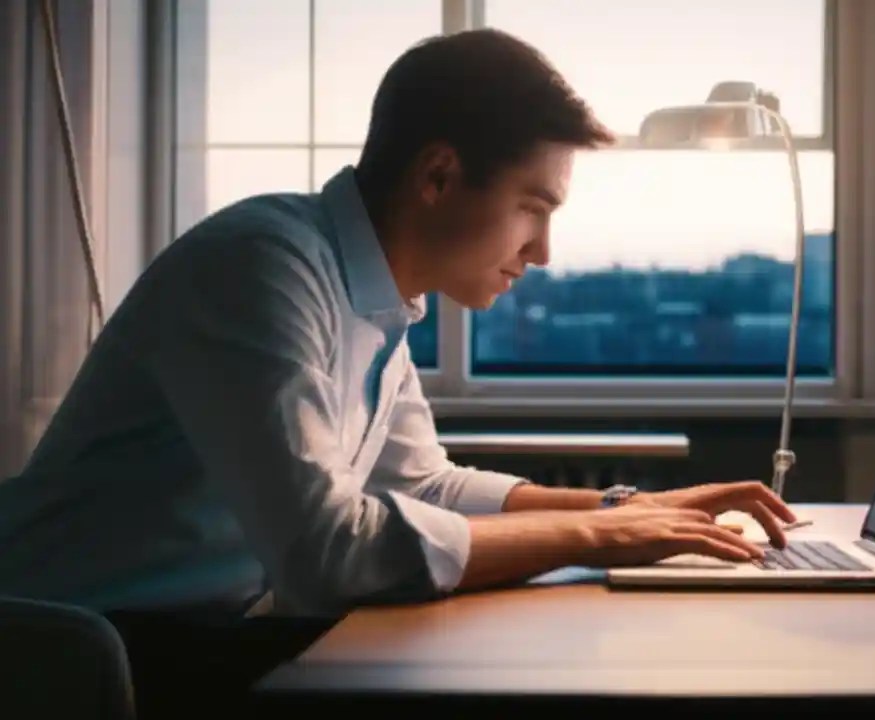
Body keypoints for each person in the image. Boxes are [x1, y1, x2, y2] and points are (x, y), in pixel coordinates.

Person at [0, 27, 795, 716]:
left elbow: (422, 485)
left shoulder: (376, 295)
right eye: (533, 208)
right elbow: (328, 556)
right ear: (438, 175)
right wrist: (598, 534)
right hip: (67, 654)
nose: (542, 253)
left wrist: (628, 506)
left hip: (178, 635)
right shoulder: (262, 270)